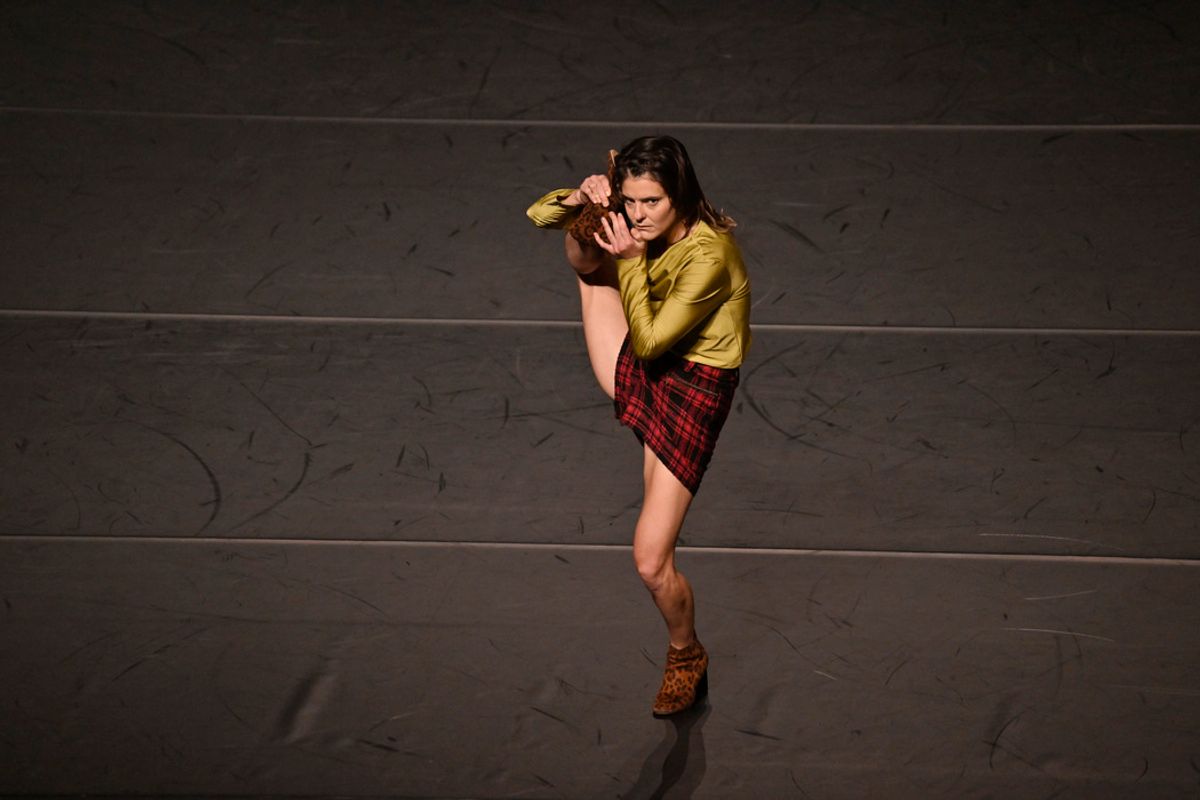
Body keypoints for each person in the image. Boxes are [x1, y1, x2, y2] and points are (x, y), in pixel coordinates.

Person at [526, 135, 751, 716]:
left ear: (680, 193)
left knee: (650, 560)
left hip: (691, 386)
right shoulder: (633, 223)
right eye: (630, 201)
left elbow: (649, 343)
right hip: (645, 356)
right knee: (585, 257)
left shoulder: (710, 257)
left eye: (652, 201)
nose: (639, 214)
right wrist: (584, 202)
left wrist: (628, 259)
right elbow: (537, 217)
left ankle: (686, 654)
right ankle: (595, 211)